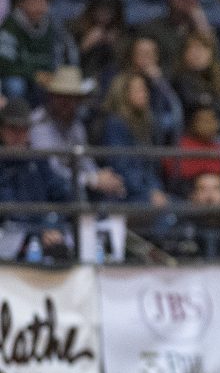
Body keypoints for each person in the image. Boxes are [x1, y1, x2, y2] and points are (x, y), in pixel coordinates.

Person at [29, 65, 126, 202]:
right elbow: (50, 169)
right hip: (45, 185)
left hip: (72, 181)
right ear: (51, 97)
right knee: (71, 190)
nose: (67, 104)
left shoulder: (75, 125)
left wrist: (99, 176)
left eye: (73, 98)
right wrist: (91, 179)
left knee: (114, 187)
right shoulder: (39, 123)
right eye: (62, 97)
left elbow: (84, 159)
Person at [0, 97, 73, 262]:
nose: (18, 135)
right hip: (12, 234)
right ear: (2, 130)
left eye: (23, 129)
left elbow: (61, 192)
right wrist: (40, 229)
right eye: (13, 129)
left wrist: (52, 224)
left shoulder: (38, 160)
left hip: (43, 228)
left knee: (67, 235)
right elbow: (10, 208)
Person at [0, 0, 78, 106]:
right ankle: (16, 115)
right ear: (21, 2)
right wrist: (34, 75)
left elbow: (60, 57)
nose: (40, 5)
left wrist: (52, 75)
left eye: (44, 0)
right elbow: (5, 65)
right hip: (19, 79)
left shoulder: (52, 26)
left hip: (46, 78)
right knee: (16, 85)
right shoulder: (10, 26)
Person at [99, 71, 169, 208]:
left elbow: (150, 167)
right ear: (123, 94)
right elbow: (121, 167)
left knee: (183, 207)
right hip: (125, 194)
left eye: (144, 89)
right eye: (138, 89)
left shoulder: (145, 124)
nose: (144, 93)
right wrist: (149, 192)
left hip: (144, 190)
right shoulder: (115, 124)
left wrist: (156, 189)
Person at [136, 0, 215, 76]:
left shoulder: (200, 29)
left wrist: (203, 26)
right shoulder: (151, 29)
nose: (187, 1)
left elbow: (214, 66)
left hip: (196, 86)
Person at [67, 0, 127, 81]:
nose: (104, 16)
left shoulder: (123, 32)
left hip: (111, 83)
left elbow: (127, 65)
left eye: (109, 12)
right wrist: (83, 46)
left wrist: (115, 46)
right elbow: (64, 63)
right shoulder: (75, 28)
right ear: (92, 9)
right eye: (101, 10)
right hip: (78, 80)